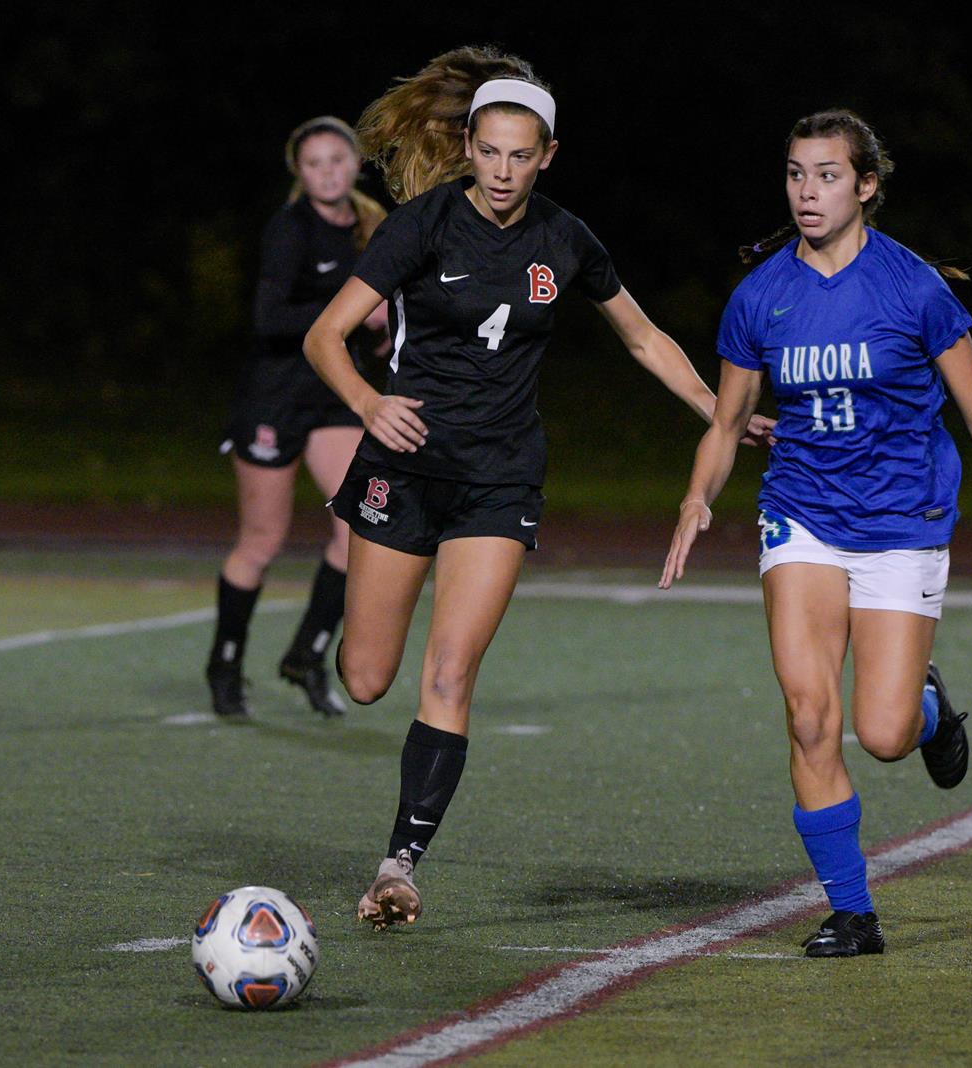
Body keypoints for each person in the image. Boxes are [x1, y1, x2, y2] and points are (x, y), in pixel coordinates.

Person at [304, 46, 773, 929]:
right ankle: (342, 639)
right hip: (402, 469)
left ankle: (400, 864)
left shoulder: (566, 237)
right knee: (367, 677)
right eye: (490, 152)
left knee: (450, 672)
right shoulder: (424, 224)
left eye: (524, 155)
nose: (506, 171)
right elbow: (325, 338)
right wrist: (370, 403)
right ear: (469, 146)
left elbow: (641, 338)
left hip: (498, 479)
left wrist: (722, 410)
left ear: (548, 154)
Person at [659, 109, 972, 956]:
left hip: (903, 520)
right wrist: (696, 495)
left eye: (825, 175)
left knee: (883, 733)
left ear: (866, 186)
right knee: (812, 715)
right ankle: (853, 911)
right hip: (803, 514)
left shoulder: (913, 287)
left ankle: (931, 708)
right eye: (794, 174)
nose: (807, 191)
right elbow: (729, 419)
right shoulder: (761, 295)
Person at [206, 116, 389, 719]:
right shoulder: (289, 229)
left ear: (356, 162)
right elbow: (269, 319)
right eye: (314, 163)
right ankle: (225, 664)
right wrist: (349, 309)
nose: (328, 172)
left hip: (336, 396)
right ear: (299, 172)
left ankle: (307, 654)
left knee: (356, 528)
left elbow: (386, 319)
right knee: (262, 540)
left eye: (337, 159)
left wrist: (389, 335)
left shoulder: (373, 227)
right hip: (276, 396)